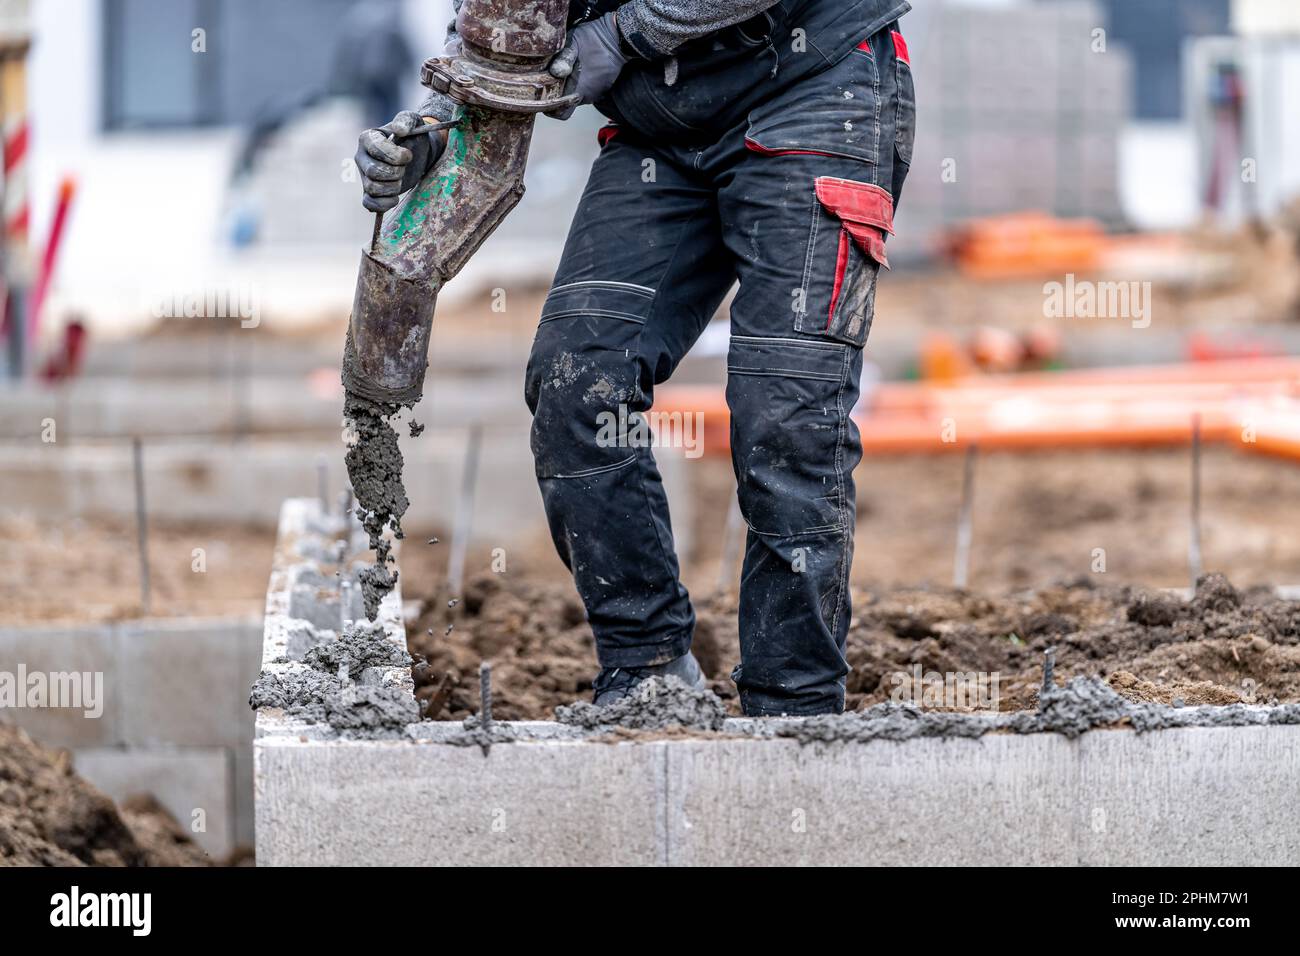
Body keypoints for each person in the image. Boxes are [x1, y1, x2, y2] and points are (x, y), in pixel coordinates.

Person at [355, 0, 915, 716]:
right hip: (662, 124)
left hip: (814, 86)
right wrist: (437, 129)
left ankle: (794, 716)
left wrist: (623, 34)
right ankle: (648, 673)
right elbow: (500, 37)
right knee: (576, 379)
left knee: (788, 417)